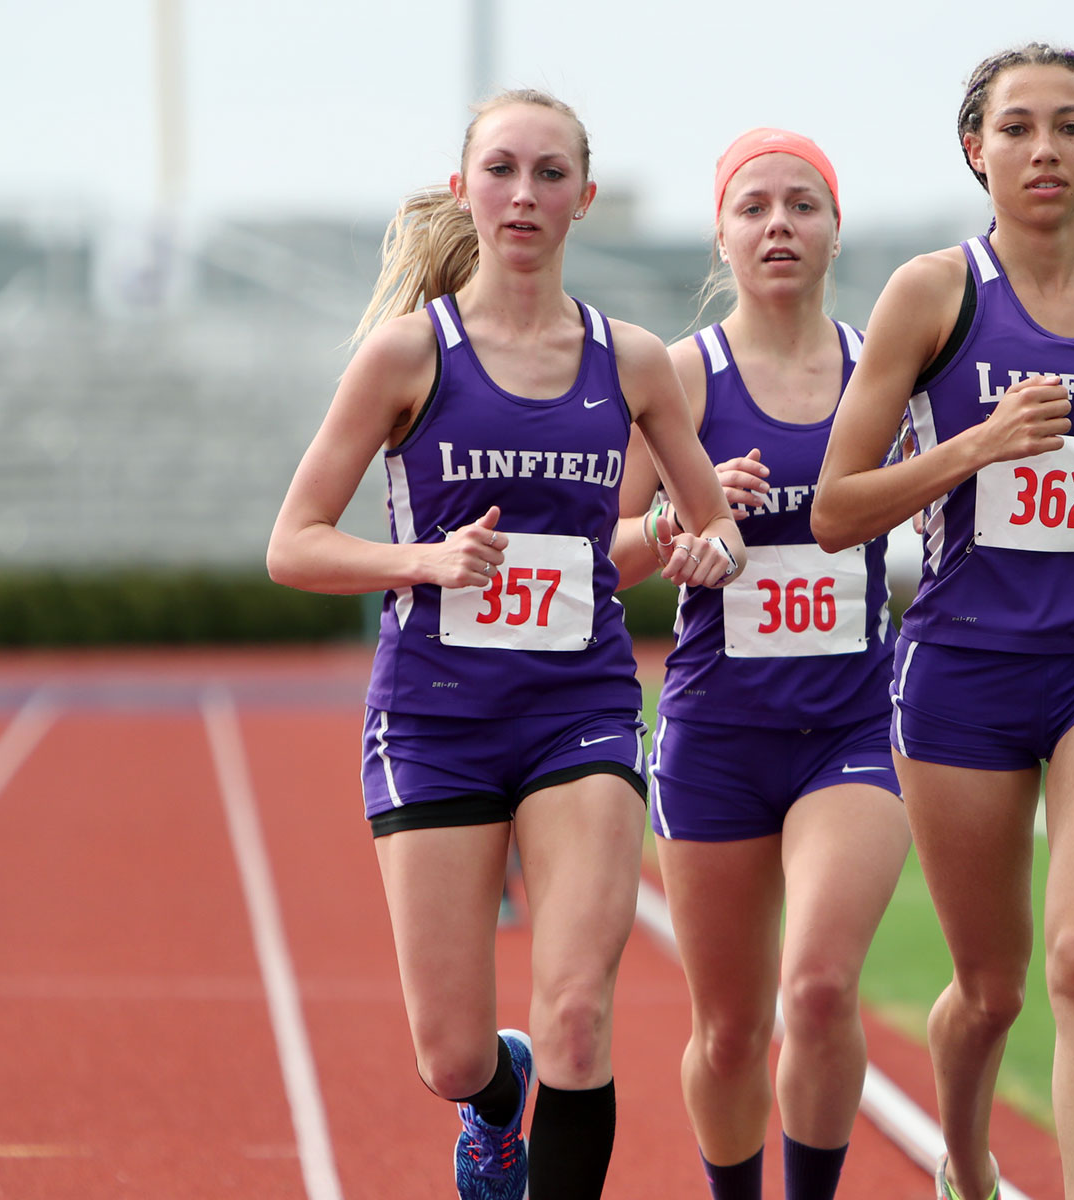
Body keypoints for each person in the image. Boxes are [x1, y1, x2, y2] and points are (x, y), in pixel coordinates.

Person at [265, 88, 745, 1200]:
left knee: (579, 1010)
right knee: (450, 1053)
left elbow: (703, 513)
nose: (523, 195)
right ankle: (493, 1102)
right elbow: (293, 545)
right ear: (462, 189)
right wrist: (421, 563)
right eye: (501, 171)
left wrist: (705, 544)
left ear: (583, 196)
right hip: (432, 718)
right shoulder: (404, 358)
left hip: (575, 710)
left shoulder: (629, 362)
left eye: (547, 174)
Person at [812, 44, 1074, 1200]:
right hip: (962, 670)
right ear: (976, 150)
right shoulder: (931, 295)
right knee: (992, 987)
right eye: (1016, 129)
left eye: (1067, 126)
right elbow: (837, 508)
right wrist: (975, 446)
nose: (1043, 149)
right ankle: (962, 1163)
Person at [611, 129, 910, 1200]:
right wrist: (683, 526)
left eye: (801, 205)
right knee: (732, 1030)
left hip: (852, 728)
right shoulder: (681, 377)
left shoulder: (888, 366)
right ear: (723, 236)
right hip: (719, 733)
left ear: (835, 229)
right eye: (754, 208)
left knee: (822, 989)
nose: (778, 225)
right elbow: (610, 546)